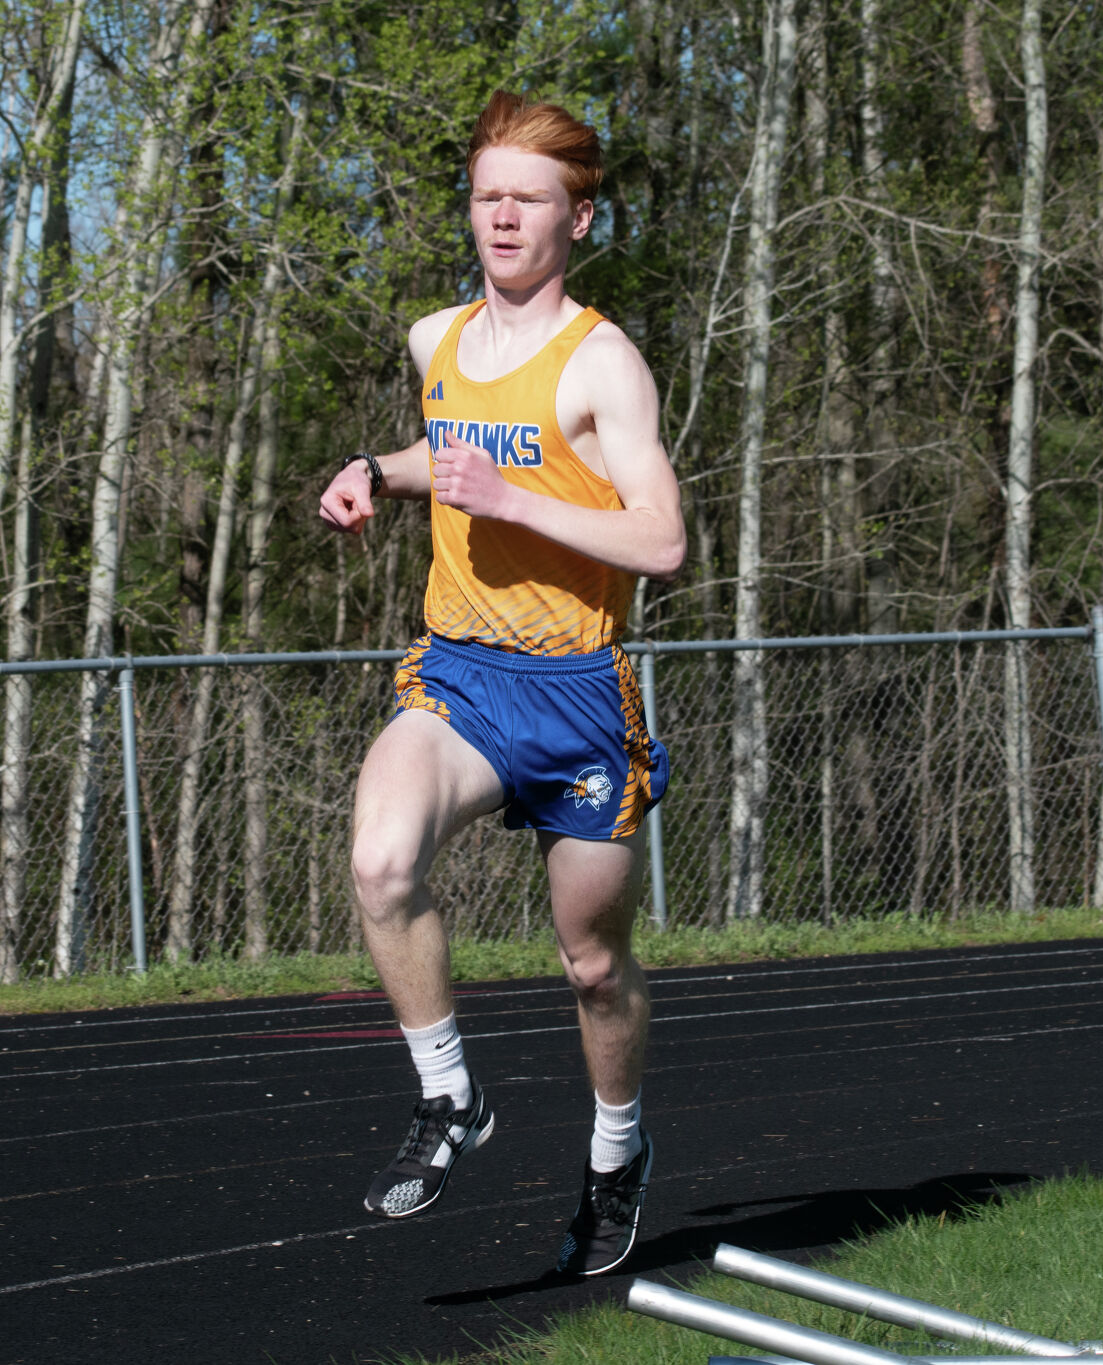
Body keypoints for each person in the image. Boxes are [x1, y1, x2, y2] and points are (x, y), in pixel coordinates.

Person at [316, 90, 685, 1278]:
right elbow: (455, 451)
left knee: (589, 962)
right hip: (462, 674)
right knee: (380, 859)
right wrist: (379, 467)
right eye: (487, 198)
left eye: (529, 199)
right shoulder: (436, 341)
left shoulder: (604, 362)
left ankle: (615, 1153)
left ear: (579, 218)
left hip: (579, 690)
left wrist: (517, 501)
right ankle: (447, 1100)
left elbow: (662, 541)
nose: (504, 218)